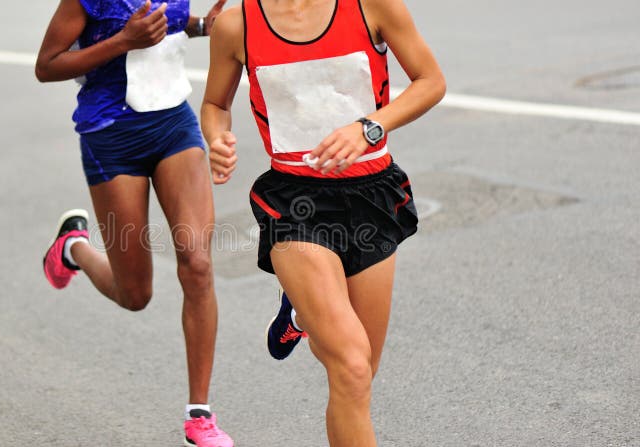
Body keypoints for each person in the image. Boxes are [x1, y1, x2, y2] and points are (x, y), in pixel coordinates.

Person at [201, 0, 445, 444]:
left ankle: (301, 309)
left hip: (371, 194)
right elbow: (215, 103)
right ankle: (304, 299)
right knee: (351, 364)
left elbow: (431, 81)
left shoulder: (371, 5)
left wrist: (369, 126)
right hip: (295, 202)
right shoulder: (237, 25)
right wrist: (216, 137)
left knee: (357, 377)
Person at [35, 0, 233, 446]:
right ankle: (73, 247)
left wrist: (205, 25)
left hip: (172, 125)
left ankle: (199, 414)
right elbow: (46, 66)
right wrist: (123, 41)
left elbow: (171, 23)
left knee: (198, 264)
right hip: (110, 133)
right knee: (135, 294)